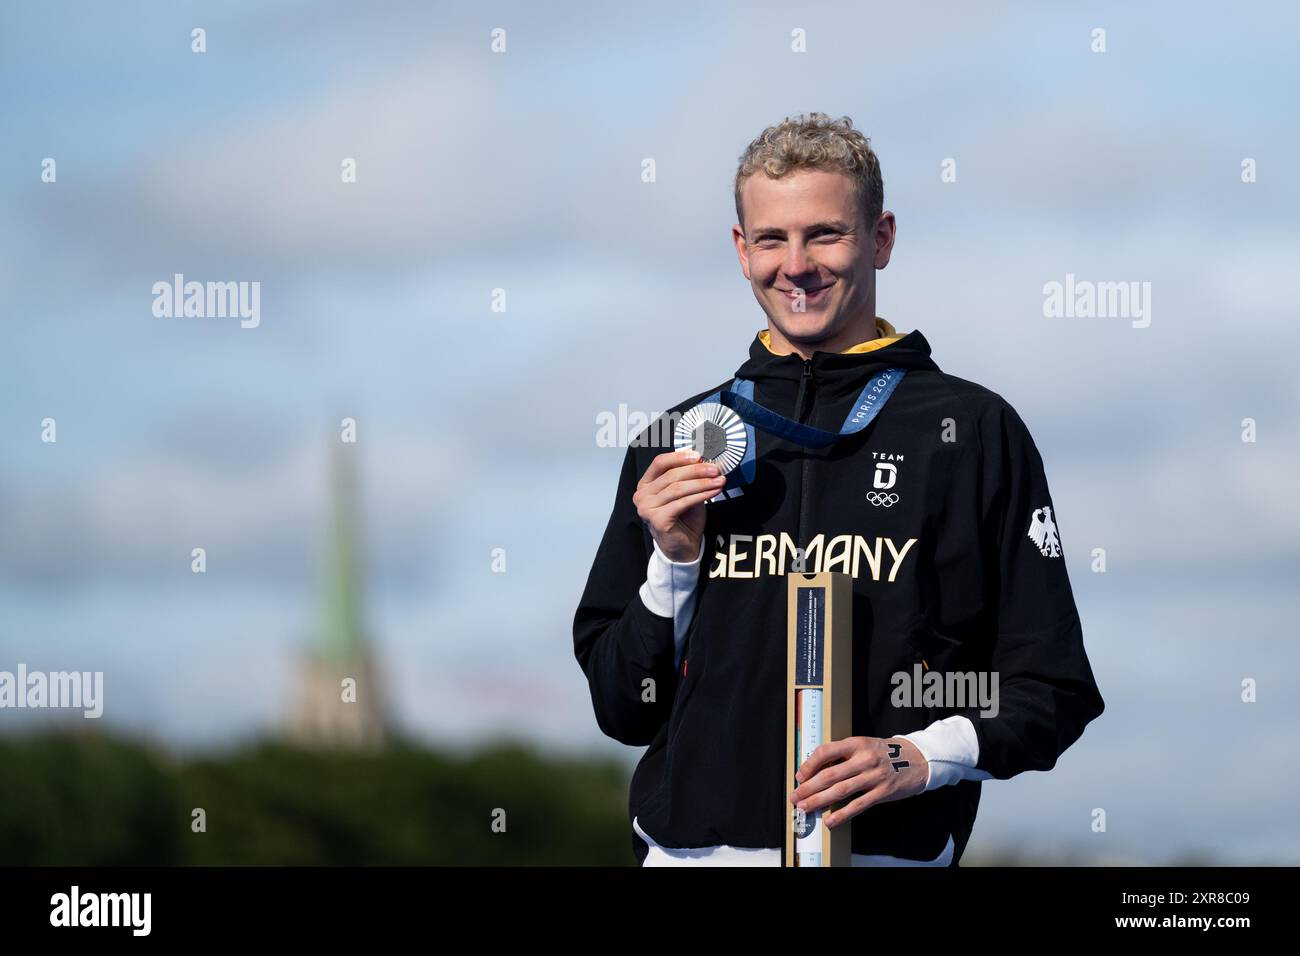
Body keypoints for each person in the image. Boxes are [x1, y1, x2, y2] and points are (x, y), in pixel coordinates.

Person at [572, 113, 1104, 866]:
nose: (797, 265)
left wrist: (917, 756)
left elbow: (1052, 689)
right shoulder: (678, 438)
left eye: (825, 234)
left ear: (881, 237)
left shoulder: (973, 431)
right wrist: (675, 562)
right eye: (771, 239)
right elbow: (624, 708)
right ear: (740, 249)